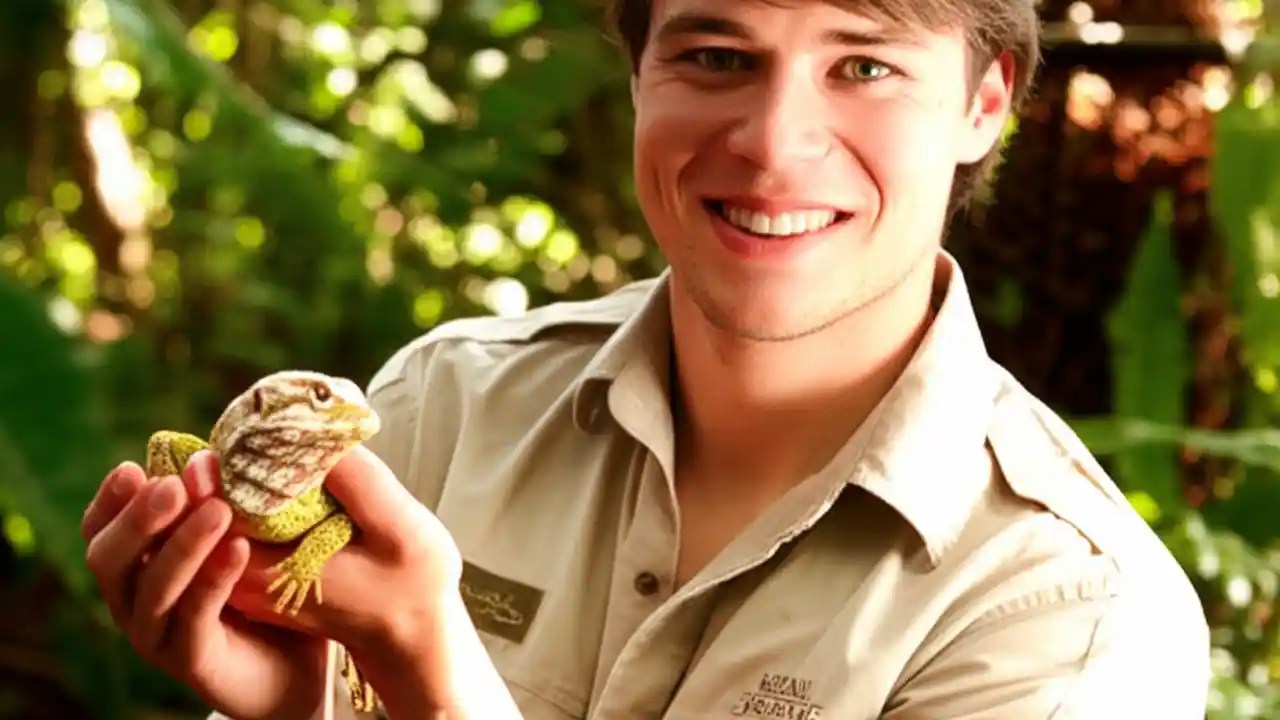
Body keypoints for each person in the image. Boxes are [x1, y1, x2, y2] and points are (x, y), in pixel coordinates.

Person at [81, 0, 1213, 718]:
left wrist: (435, 668)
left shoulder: (1066, 615)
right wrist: (293, 713)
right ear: (636, 78)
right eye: (716, 53)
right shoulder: (446, 403)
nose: (773, 144)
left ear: (981, 104)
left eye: (862, 66)